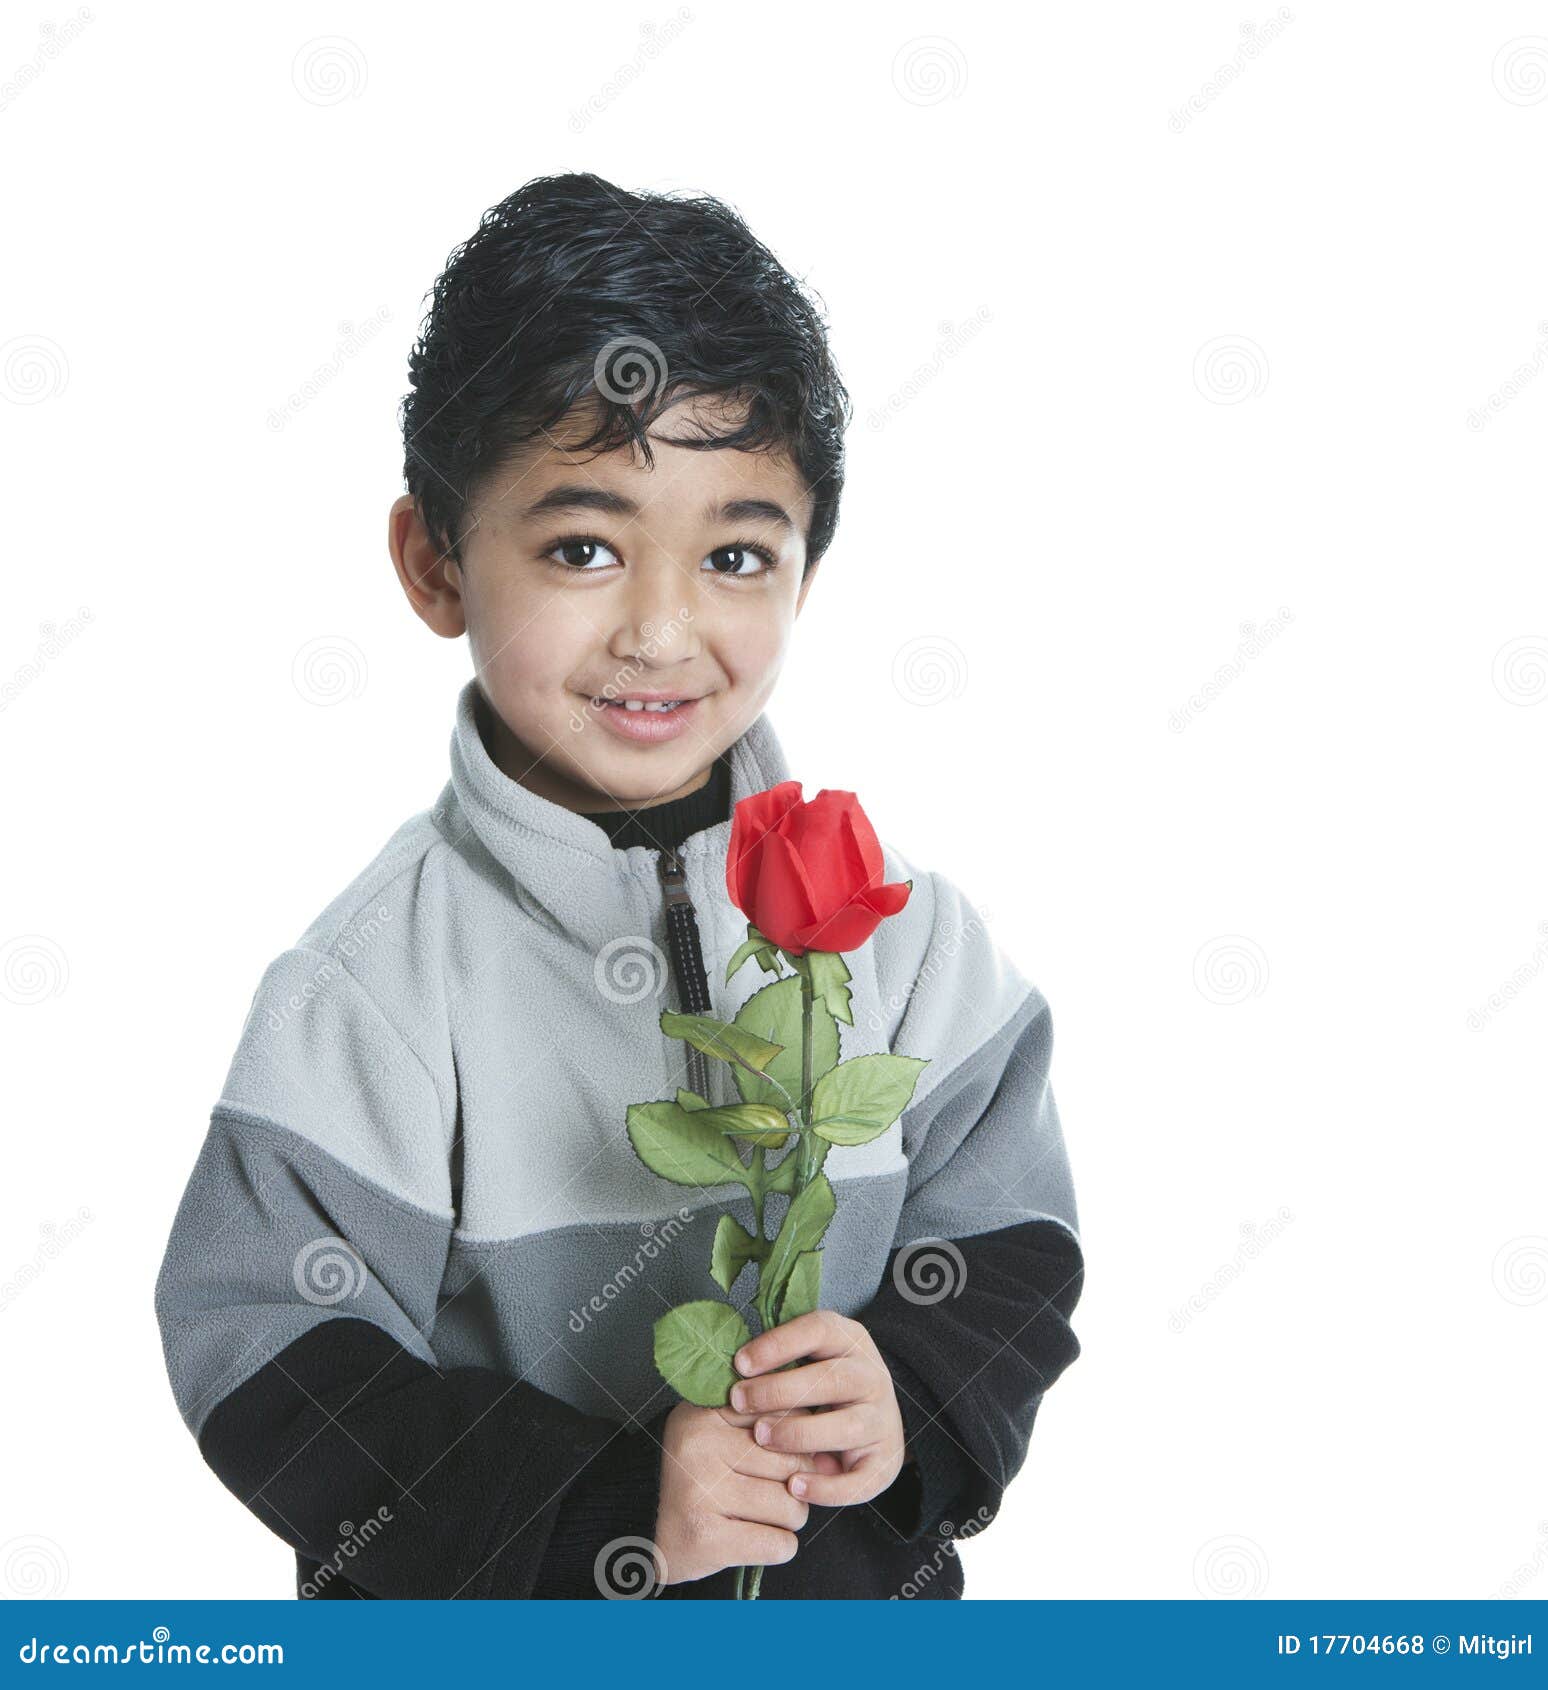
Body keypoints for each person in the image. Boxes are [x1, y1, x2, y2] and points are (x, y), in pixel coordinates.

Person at [153, 172, 1084, 1600]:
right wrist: (613, 1505)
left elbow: (1008, 1239)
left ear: (804, 574)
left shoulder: (904, 933)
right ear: (435, 561)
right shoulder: (370, 983)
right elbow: (266, 1341)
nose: (660, 627)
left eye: (732, 555)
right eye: (582, 546)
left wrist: (912, 1393)